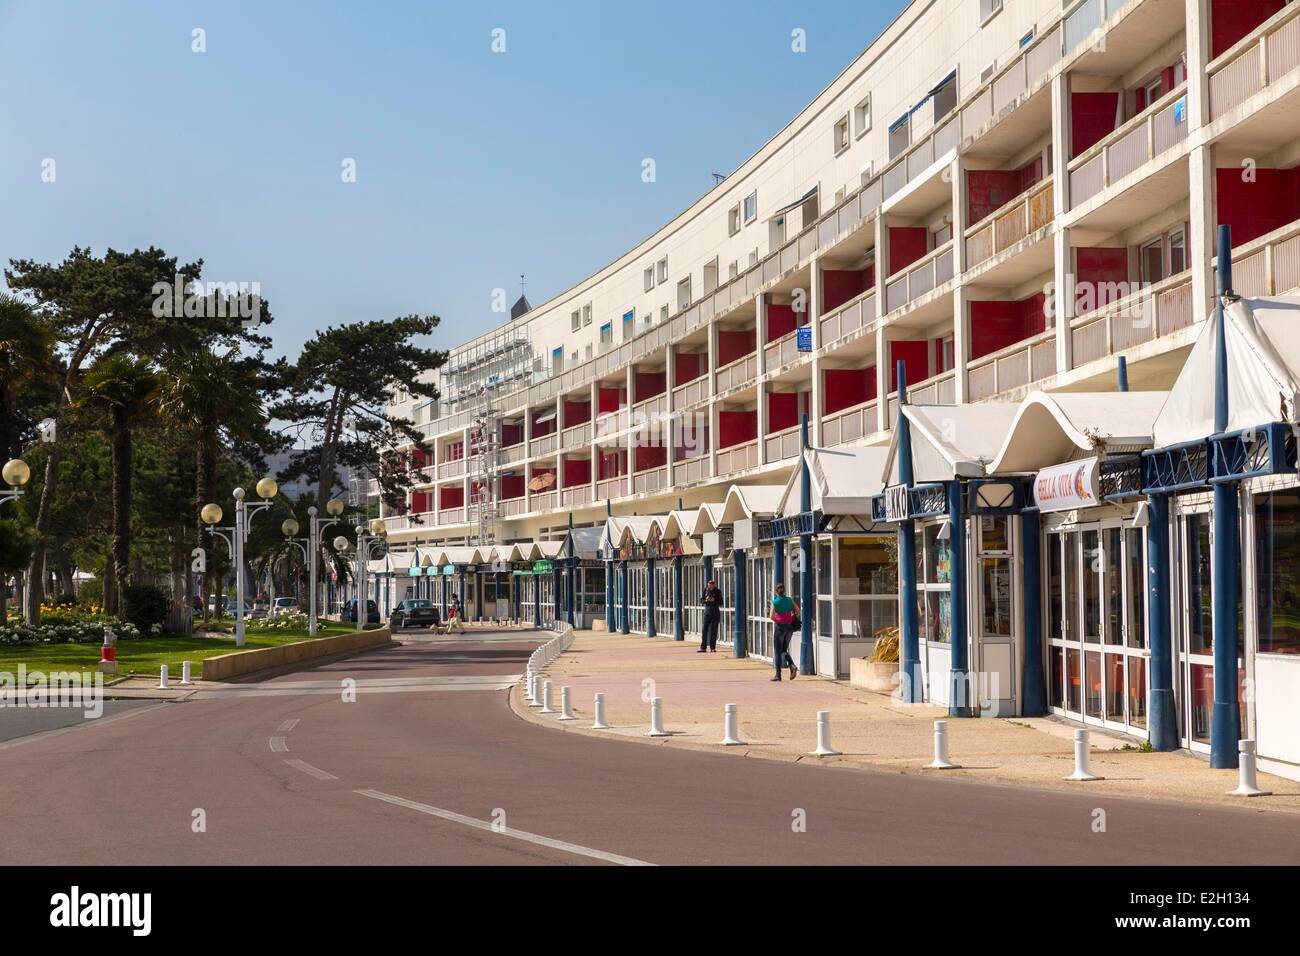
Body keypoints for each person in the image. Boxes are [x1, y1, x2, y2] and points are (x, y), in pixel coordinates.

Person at [770, 583, 799, 681]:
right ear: (784, 591)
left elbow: (771, 616)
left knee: (778, 652)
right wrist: (791, 618)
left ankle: (778, 675)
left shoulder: (775, 602)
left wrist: (778, 621)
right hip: (789, 627)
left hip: (780, 628)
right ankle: (792, 666)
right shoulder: (789, 600)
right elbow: (798, 611)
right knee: (784, 650)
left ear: (776, 592)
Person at [699, 578, 723, 653]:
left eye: (712, 584)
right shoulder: (705, 590)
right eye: (709, 584)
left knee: (713, 630)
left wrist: (714, 600)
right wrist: (705, 600)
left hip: (715, 612)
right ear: (708, 585)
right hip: (707, 612)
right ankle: (703, 647)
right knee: (704, 630)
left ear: (714, 585)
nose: (710, 586)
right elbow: (701, 600)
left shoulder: (718, 591)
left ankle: (713, 647)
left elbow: (721, 602)